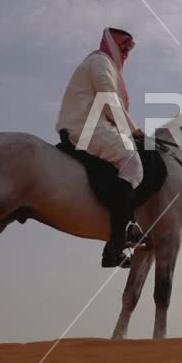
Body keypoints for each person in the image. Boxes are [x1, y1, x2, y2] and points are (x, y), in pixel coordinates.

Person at [56, 27, 148, 267]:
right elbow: (108, 99)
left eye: (128, 49)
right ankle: (119, 237)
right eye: (123, 46)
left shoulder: (106, 64)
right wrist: (133, 130)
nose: (126, 52)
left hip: (90, 125)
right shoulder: (100, 61)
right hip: (85, 126)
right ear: (112, 43)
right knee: (132, 162)